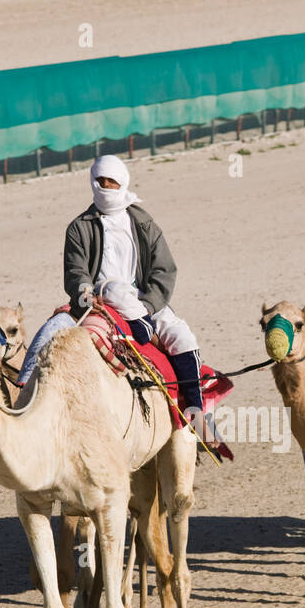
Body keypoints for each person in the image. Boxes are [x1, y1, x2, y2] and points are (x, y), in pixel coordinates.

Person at [62, 154, 208, 418]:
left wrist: (150, 304)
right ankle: (144, 332)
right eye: (99, 181)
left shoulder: (142, 222)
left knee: (181, 335)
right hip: (101, 294)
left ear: (123, 182)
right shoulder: (79, 228)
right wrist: (85, 294)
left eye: (111, 182)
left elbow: (164, 269)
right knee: (113, 290)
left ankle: (197, 412)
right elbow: (76, 271)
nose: (105, 187)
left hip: (143, 299)